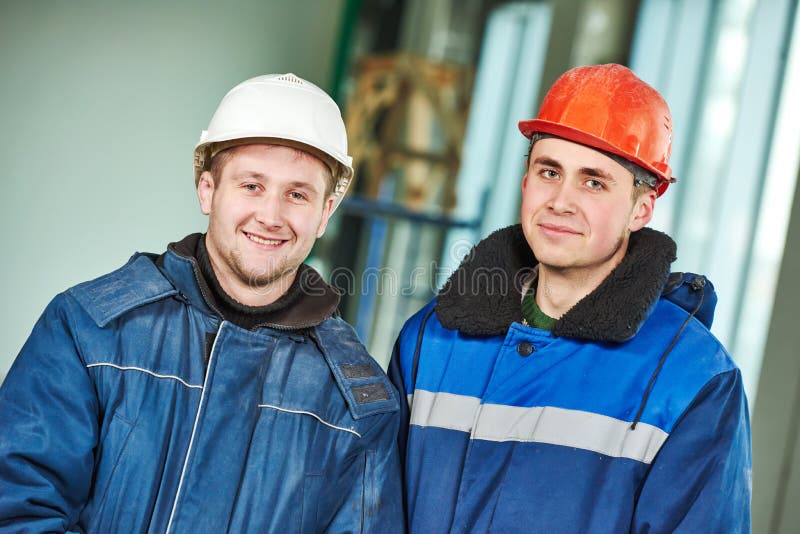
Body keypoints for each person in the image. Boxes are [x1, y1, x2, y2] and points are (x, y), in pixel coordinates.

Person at [0, 73, 403, 532]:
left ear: (324, 213)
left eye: (297, 194)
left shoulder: (358, 402)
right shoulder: (89, 329)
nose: (271, 216)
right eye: (251, 186)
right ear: (207, 190)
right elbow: (17, 511)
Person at [389, 64, 751, 533]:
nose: (560, 201)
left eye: (594, 181)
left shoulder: (693, 380)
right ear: (525, 182)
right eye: (549, 171)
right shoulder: (429, 340)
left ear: (641, 209)